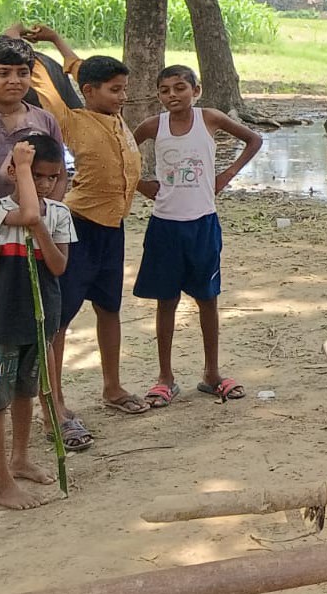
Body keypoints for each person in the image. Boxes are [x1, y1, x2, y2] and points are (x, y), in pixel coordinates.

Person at [16, 23, 148, 439]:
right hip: (79, 230)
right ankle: (52, 403)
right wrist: (21, 42)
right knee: (59, 320)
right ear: (90, 92)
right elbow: (40, 77)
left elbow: (77, 66)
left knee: (110, 308)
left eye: (124, 89)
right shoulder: (71, 120)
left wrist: (56, 40)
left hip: (113, 230)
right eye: (114, 89)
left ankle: (112, 386)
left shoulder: (116, 116)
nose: (122, 96)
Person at [131, 65, 263, 407]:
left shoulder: (210, 119)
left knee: (208, 300)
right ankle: (165, 377)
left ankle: (212, 374)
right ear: (158, 95)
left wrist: (227, 174)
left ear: (196, 90)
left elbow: (254, 139)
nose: (172, 95)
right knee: (166, 302)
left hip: (202, 224)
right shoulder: (152, 126)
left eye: (180, 88)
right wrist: (142, 185)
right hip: (165, 225)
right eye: (165, 90)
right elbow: (123, 156)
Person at [0, 134, 75, 509]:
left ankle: (20, 457)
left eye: (52, 177)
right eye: (36, 175)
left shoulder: (58, 213)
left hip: (40, 318)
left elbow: (58, 266)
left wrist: (42, 228)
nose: (45, 184)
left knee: (27, 390)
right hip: (1, 322)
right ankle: (0, 481)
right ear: (13, 172)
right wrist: (23, 171)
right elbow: (26, 214)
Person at [0, 36, 66, 204]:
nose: (14, 81)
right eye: (3, 73)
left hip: (33, 222)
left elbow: (60, 176)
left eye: (23, 73)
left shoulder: (45, 120)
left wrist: (47, 214)